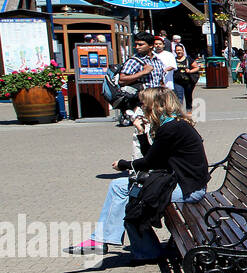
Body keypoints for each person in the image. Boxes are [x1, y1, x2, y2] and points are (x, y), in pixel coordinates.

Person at [64, 88, 210, 259]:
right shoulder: (173, 124)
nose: (141, 108)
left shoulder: (171, 128)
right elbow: (155, 159)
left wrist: (123, 164)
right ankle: (142, 250)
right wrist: (142, 133)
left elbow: (150, 162)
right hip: (182, 184)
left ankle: (108, 242)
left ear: (156, 105)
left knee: (122, 189)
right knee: (129, 196)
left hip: (188, 189)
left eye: (143, 104)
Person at [171, 41, 200, 110]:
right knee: (179, 97)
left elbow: (197, 67)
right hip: (177, 81)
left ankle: (189, 111)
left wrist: (190, 71)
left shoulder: (188, 59)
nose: (179, 52)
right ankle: (179, 113)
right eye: (177, 50)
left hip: (188, 81)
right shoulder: (173, 60)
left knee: (188, 97)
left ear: (183, 51)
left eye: (180, 50)